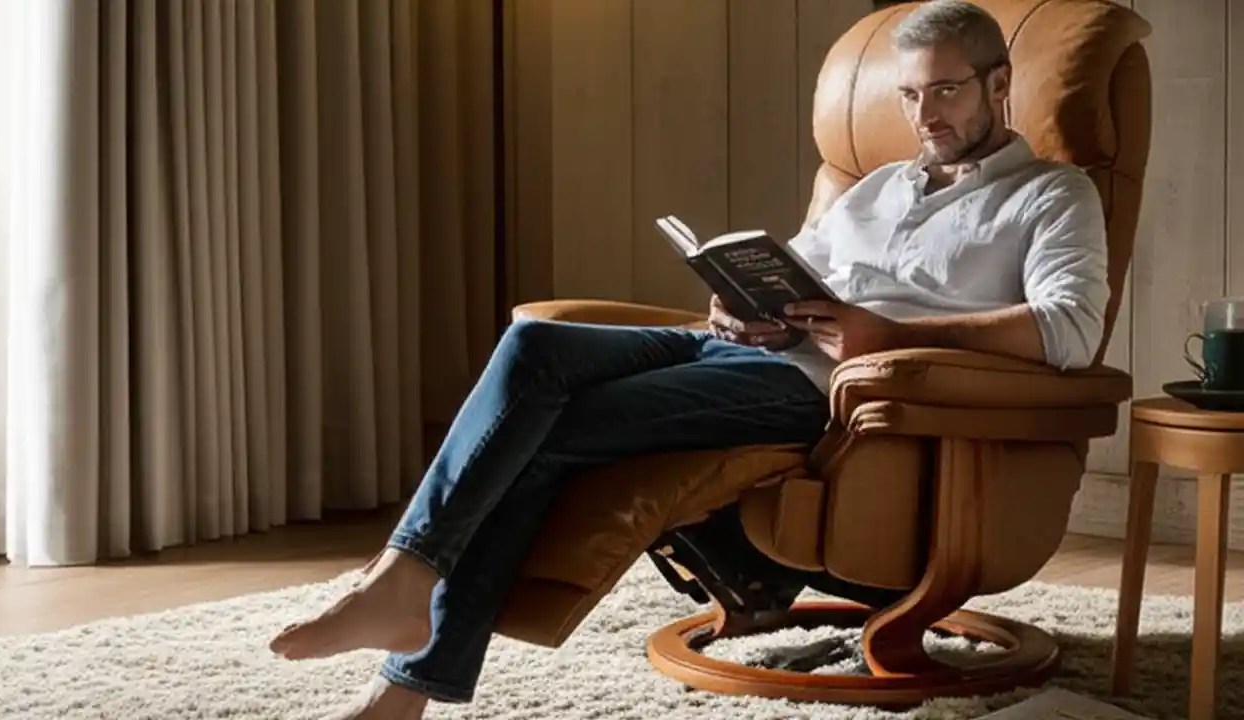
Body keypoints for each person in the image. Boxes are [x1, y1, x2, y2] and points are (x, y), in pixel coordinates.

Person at [267, 1, 1109, 718]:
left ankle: (406, 683)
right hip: (751, 348)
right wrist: (738, 302)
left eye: (948, 92)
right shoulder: (878, 186)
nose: (926, 116)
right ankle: (404, 579)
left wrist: (889, 336)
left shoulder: (1050, 196)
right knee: (534, 348)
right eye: (912, 94)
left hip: (830, 388)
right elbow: (805, 270)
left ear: (1000, 85)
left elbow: (1069, 329)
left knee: (555, 427)